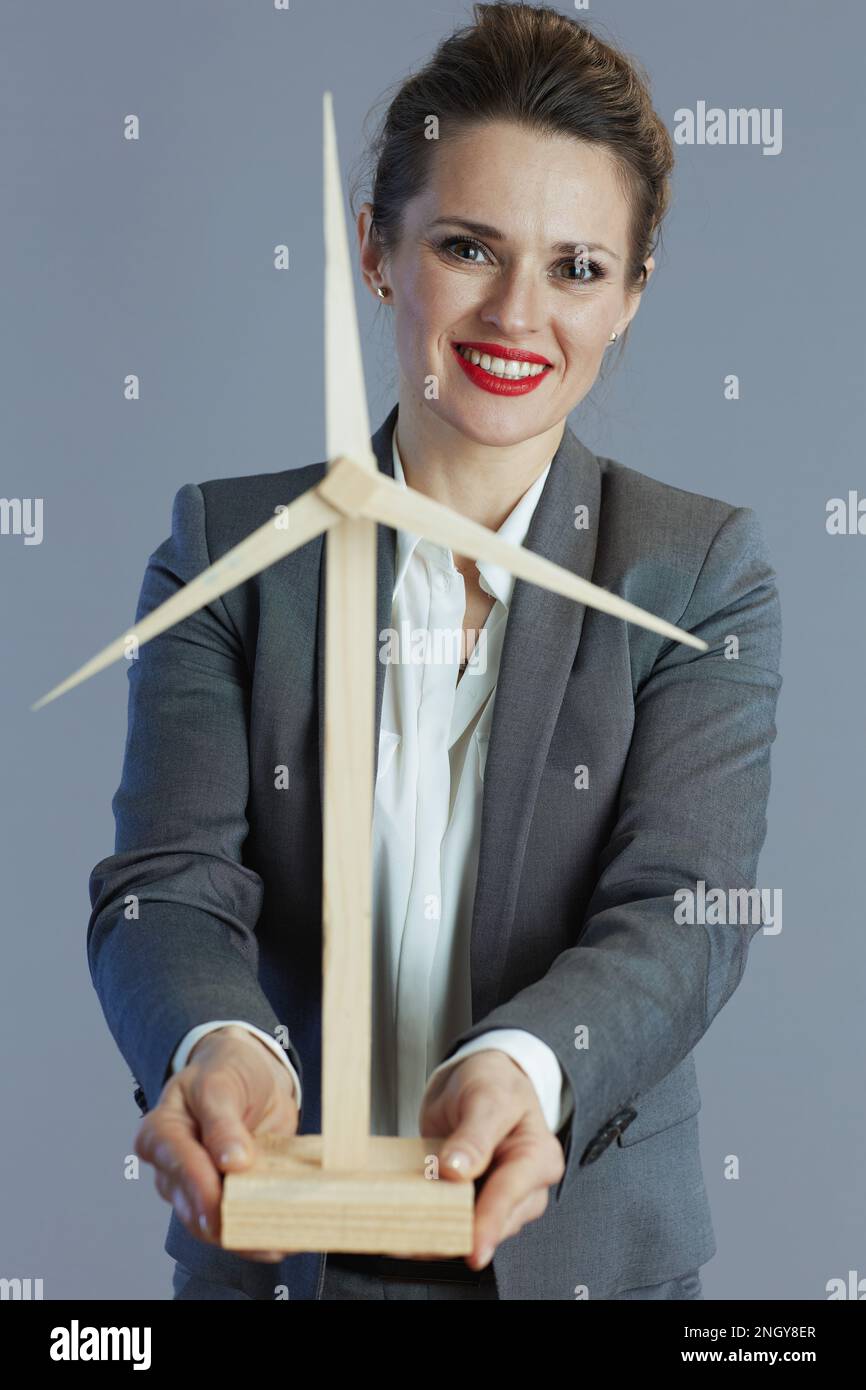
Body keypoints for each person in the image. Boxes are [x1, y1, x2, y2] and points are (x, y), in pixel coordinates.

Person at [88, 2, 782, 1301]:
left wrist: (521, 1065)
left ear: (630, 295)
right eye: (468, 246)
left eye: (578, 267)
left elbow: (683, 911)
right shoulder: (222, 546)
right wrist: (218, 1041)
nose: (519, 312)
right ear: (375, 251)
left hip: (584, 1259)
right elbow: (165, 881)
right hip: (276, 1254)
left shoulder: (702, 570)